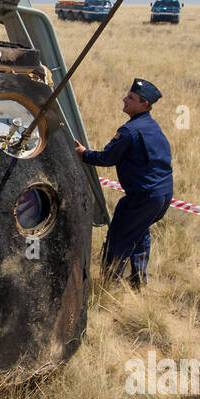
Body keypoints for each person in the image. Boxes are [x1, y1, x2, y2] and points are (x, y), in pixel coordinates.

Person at [75, 78, 174, 287]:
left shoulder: (130, 131)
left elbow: (107, 158)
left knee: (118, 237)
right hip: (162, 195)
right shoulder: (152, 126)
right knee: (139, 233)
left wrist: (84, 154)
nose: (124, 99)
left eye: (131, 98)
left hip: (143, 198)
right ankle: (138, 282)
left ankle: (110, 285)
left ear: (144, 104)